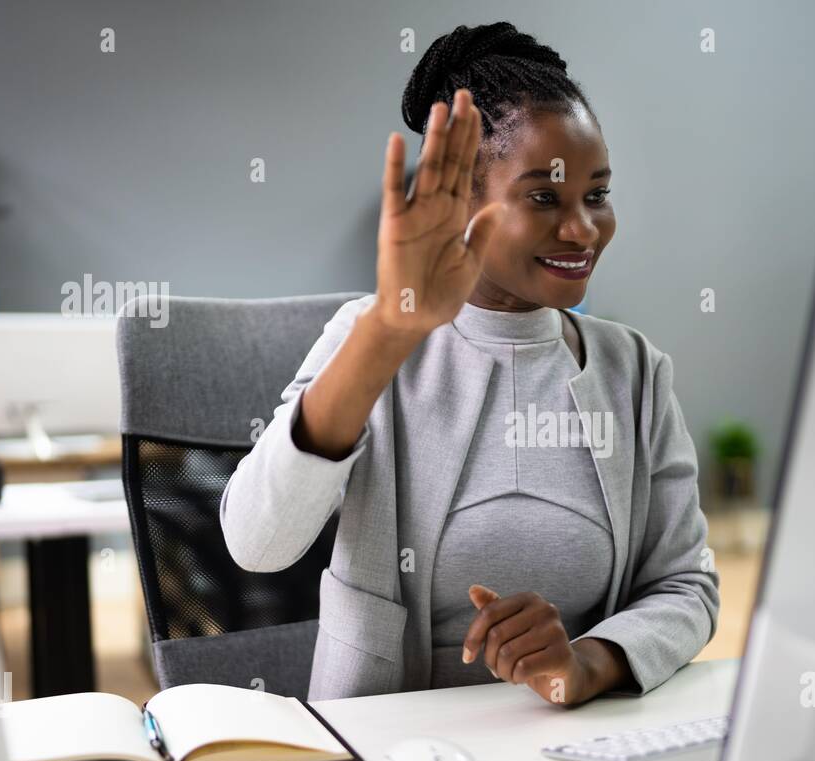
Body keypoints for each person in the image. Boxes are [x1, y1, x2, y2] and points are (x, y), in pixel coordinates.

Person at [221, 21, 719, 705]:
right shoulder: (369, 340)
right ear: (463, 204)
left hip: (577, 748)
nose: (581, 229)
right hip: (397, 759)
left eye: (596, 195)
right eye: (544, 197)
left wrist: (587, 662)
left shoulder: (634, 370)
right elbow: (257, 543)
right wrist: (387, 336)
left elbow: (686, 584)